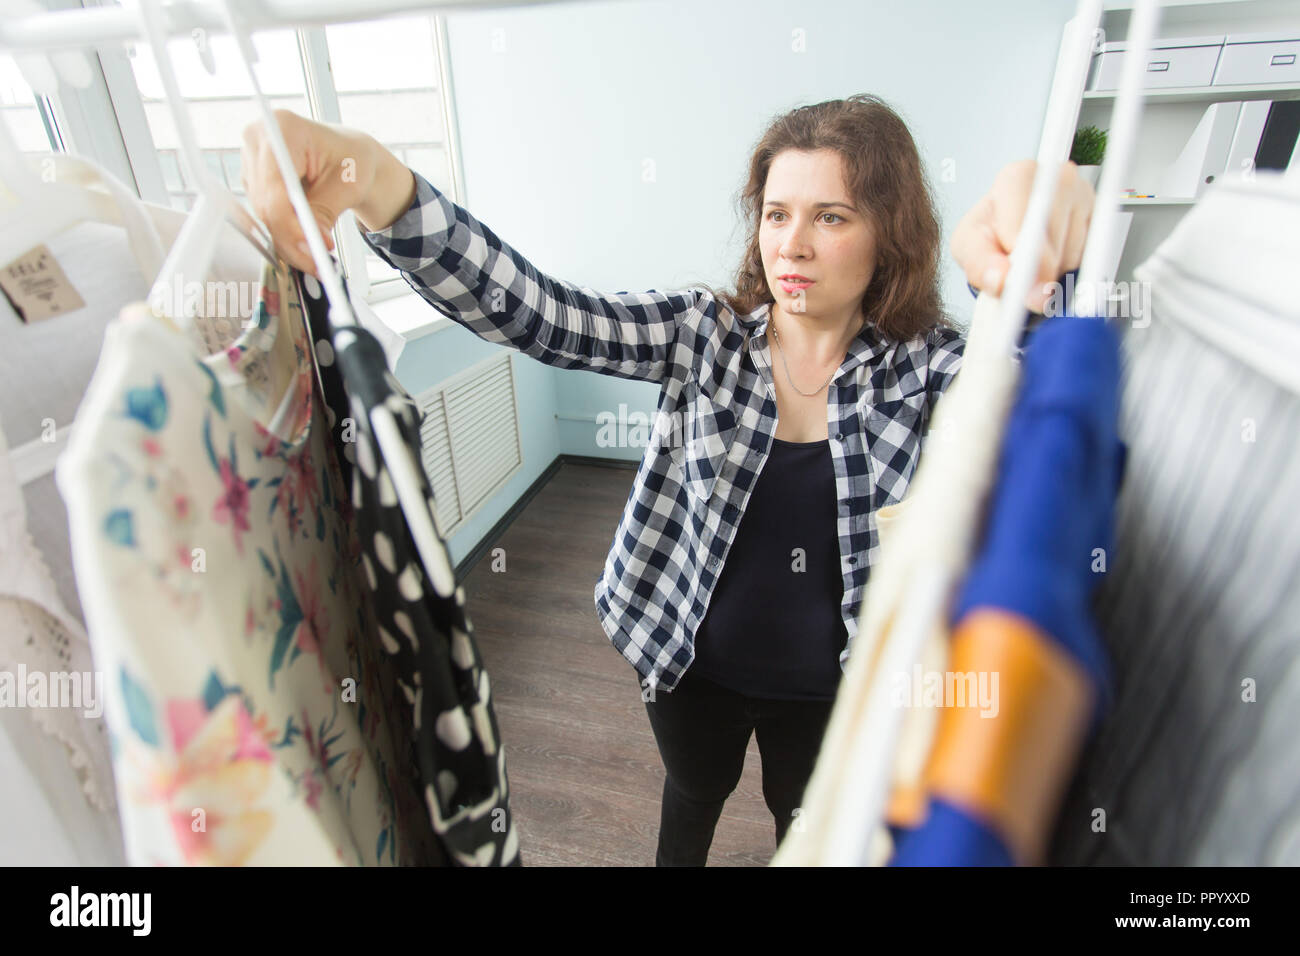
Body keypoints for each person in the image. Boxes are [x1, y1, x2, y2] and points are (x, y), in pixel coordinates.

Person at [240, 94, 1096, 866]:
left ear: (890, 233)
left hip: (830, 684)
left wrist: (1034, 274)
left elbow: (1030, 404)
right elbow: (540, 314)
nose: (792, 244)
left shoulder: (922, 369)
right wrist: (378, 180)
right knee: (691, 798)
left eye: (831, 216)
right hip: (690, 667)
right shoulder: (703, 335)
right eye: (776, 213)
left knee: (808, 819)